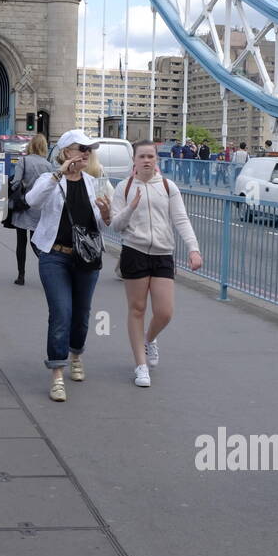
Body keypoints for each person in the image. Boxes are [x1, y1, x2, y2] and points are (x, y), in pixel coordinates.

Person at [24, 129, 112, 402]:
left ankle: (76, 354)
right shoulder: (48, 179)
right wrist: (59, 173)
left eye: (89, 149)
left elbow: (105, 222)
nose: (86, 153)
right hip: (54, 256)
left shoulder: (96, 182)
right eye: (80, 148)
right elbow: (32, 201)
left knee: (81, 315)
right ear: (65, 152)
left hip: (86, 257)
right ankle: (57, 373)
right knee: (61, 312)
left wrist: (108, 213)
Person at [111, 141, 203, 387]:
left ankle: (149, 340)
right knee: (137, 309)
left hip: (163, 253)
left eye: (151, 156)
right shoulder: (124, 187)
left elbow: (180, 219)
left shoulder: (167, 186)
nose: (147, 160)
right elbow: (116, 225)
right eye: (142, 156)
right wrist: (131, 207)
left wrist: (193, 249)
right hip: (134, 251)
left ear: (157, 160)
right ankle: (141, 366)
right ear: (134, 160)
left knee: (164, 312)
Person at [9, 134, 52, 285]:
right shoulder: (48, 165)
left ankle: (21, 276)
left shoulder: (24, 161)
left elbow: (15, 183)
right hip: (39, 208)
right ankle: (50, 270)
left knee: (21, 242)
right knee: (37, 242)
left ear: (31, 145)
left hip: (23, 206)